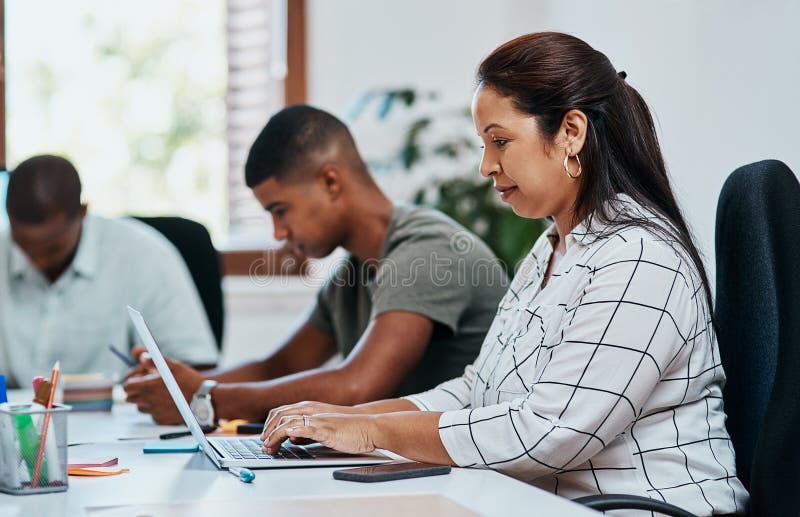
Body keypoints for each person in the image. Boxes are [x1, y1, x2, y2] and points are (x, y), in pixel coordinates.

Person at [259, 33, 749, 515]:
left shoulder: (639, 258)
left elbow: (548, 433)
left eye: (500, 141)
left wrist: (372, 432)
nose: (485, 166)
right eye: (483, 144)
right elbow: (476, 389)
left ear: (570, 133)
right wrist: (342, 420)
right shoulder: (551, 248)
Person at [124, 105, 507, 424]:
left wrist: (207, 399)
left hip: (466, 475)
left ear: (330, 182)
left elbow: (357, 386)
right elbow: (282, 365)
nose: (277, 233)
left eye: (280, 210)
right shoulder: (353, 271)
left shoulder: (428, 250)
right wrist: (181, 385)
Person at [0, 155, 218, 388]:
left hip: (122, 418)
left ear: (83, 213)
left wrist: (153, 381)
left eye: (52, 248)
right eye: (23, 245)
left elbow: (197, 370)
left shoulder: (145, 255)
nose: (38, 260)